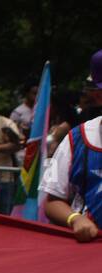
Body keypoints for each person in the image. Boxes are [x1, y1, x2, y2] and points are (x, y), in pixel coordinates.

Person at [42, 49, 102, 243]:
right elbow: (51, 202)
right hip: (90, 252)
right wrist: (74, 218)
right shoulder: (77, 139)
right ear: (99, 96)